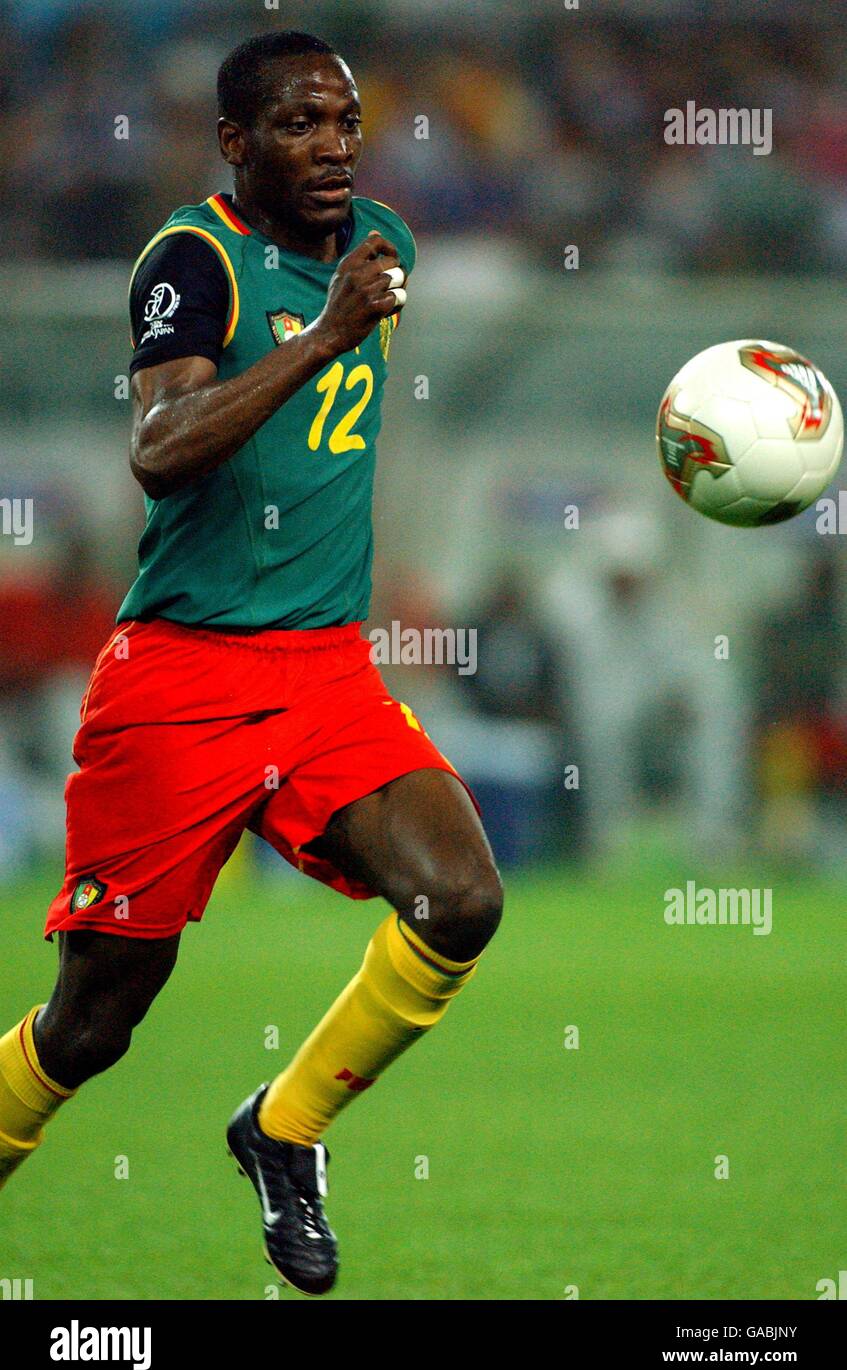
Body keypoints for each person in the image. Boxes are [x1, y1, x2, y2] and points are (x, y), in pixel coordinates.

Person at [0, 30, 503, 1297]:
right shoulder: (193, 258)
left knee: (460, 898)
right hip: (180, 676)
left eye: (343, 120)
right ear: (236, 142)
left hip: (326, 670)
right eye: (297, 124)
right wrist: (322, 337)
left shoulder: (381, 235)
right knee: (95, 1019)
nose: (332, 145)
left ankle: (283, 1128)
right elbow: (162, 449)